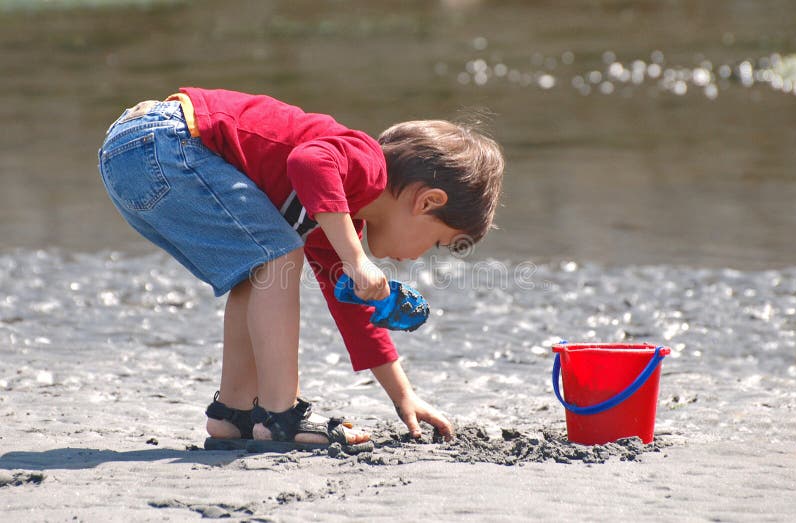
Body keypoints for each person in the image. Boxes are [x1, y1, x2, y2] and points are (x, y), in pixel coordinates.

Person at [97, 88, 504, 453]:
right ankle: (280, 416)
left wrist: (404, 396)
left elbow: (355, 314)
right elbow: (309, 161)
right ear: (427, 202)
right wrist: (356, 258)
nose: (419, 257)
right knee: (278, 256)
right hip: (166, 143)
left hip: (134, 156)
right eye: (436, 243)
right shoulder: (366, 163)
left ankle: (233, 413)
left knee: (257, 271)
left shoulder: (334, 223)